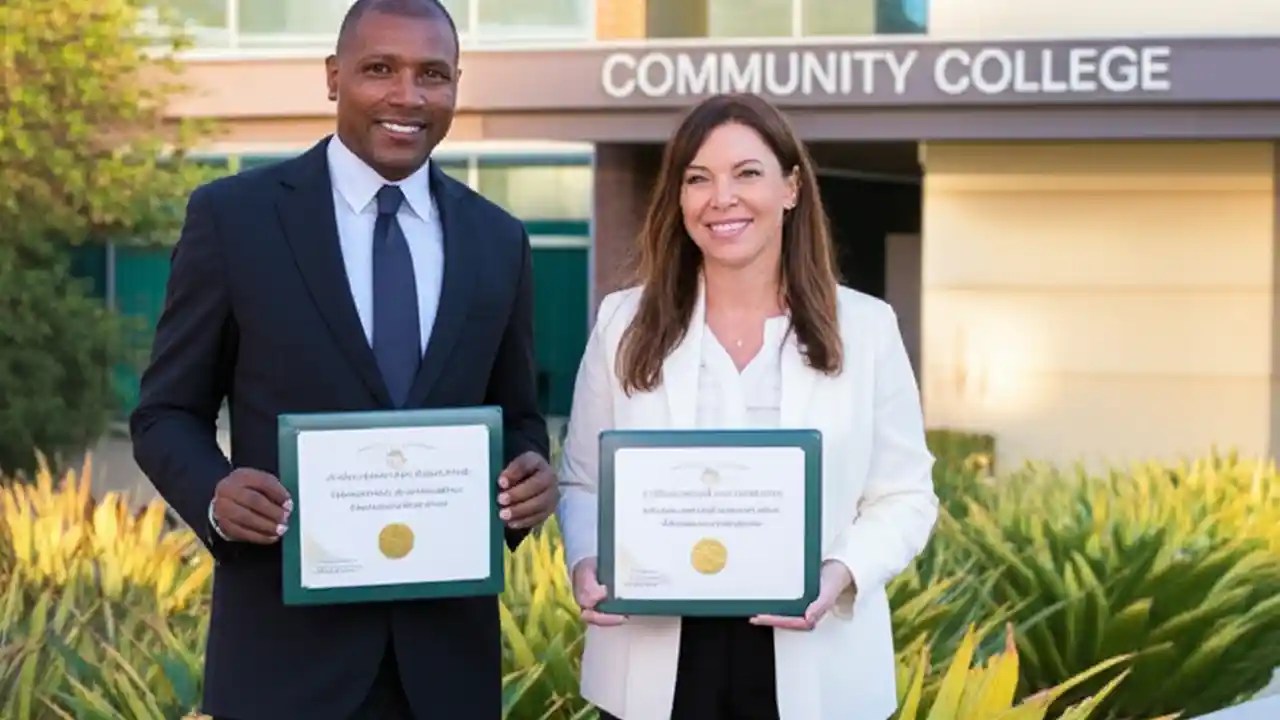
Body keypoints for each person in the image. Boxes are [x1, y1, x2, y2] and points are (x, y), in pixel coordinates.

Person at [129, 1, 558, 718]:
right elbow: (165, 413)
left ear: (456, 85)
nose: (407, 96)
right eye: (379, 69)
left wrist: (528, 481)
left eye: (433, 74)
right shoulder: (235, 219)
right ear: (333, 77)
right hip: (283, 665)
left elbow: (517, 417)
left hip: (446, 671)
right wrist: (216, 494)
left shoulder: (499, 240)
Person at [555, 93, 939, 720]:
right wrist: (587, 561)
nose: (721, 198)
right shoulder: (623, 322)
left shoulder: (866, 327)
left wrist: (840, 573)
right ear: (678, 200)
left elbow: (906, 495)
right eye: (697, 178)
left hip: (813, 661)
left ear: (791, 188)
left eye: (747, 174)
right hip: (655, 666)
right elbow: (584, 482)